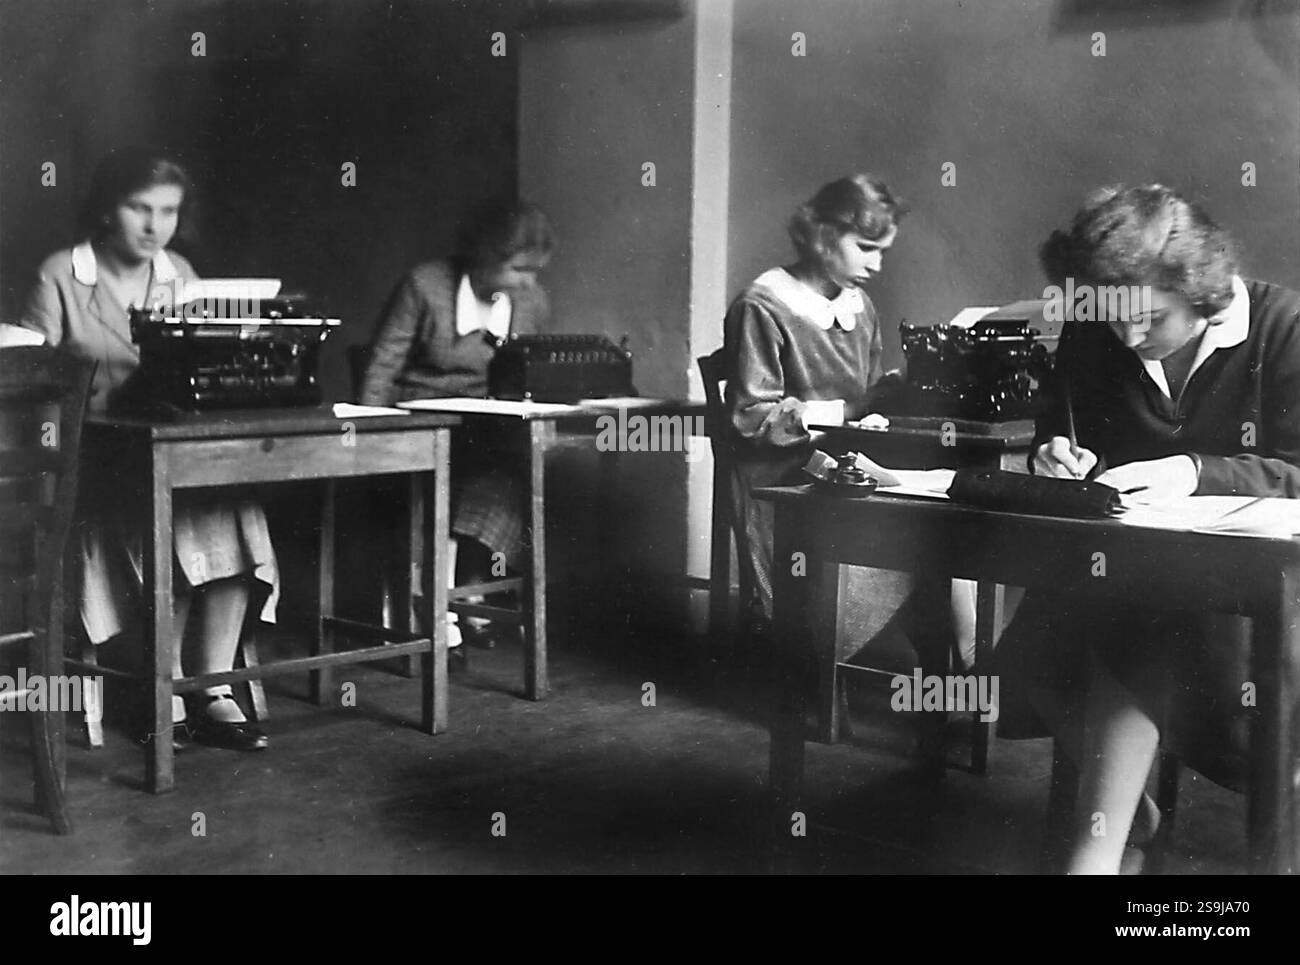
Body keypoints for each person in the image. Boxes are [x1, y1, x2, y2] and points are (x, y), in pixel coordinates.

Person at [998, 183, 1300, 874]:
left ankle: (1097, 849)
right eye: (1111, 318)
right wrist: (1060, 455)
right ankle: (1120, 822)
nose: (1127, 337)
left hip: (1266, 593)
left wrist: (1196, 471)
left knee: (1136, 625)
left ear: (1201, 289)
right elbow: (1067, 432)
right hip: (1134, 573)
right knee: (1034, 650)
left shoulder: (1286, 328)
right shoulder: (1097, 330)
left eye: (1150, 318)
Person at [21, 149, 276, 752]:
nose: (153, 225)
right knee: (176, 522)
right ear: (107, 207)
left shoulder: (179, 274)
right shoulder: (61, 273)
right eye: (139, 207)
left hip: (168, 451)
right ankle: (165, 688)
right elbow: (31, 385)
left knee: (239, 510)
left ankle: (210, 688)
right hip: (90, 462)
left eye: (168, 211)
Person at [360, 199, 553, 646]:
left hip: (488, 427)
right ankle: (435, 610)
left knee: (524, 476)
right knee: (448, 481)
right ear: (487, 256)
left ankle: (462, 591)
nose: (529, 283)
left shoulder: (532, 301)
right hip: (419, 424)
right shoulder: (425, 285)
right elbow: (381, 367)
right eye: (520, 269)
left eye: (535, 271)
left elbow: (532, 370)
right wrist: (367, 442)